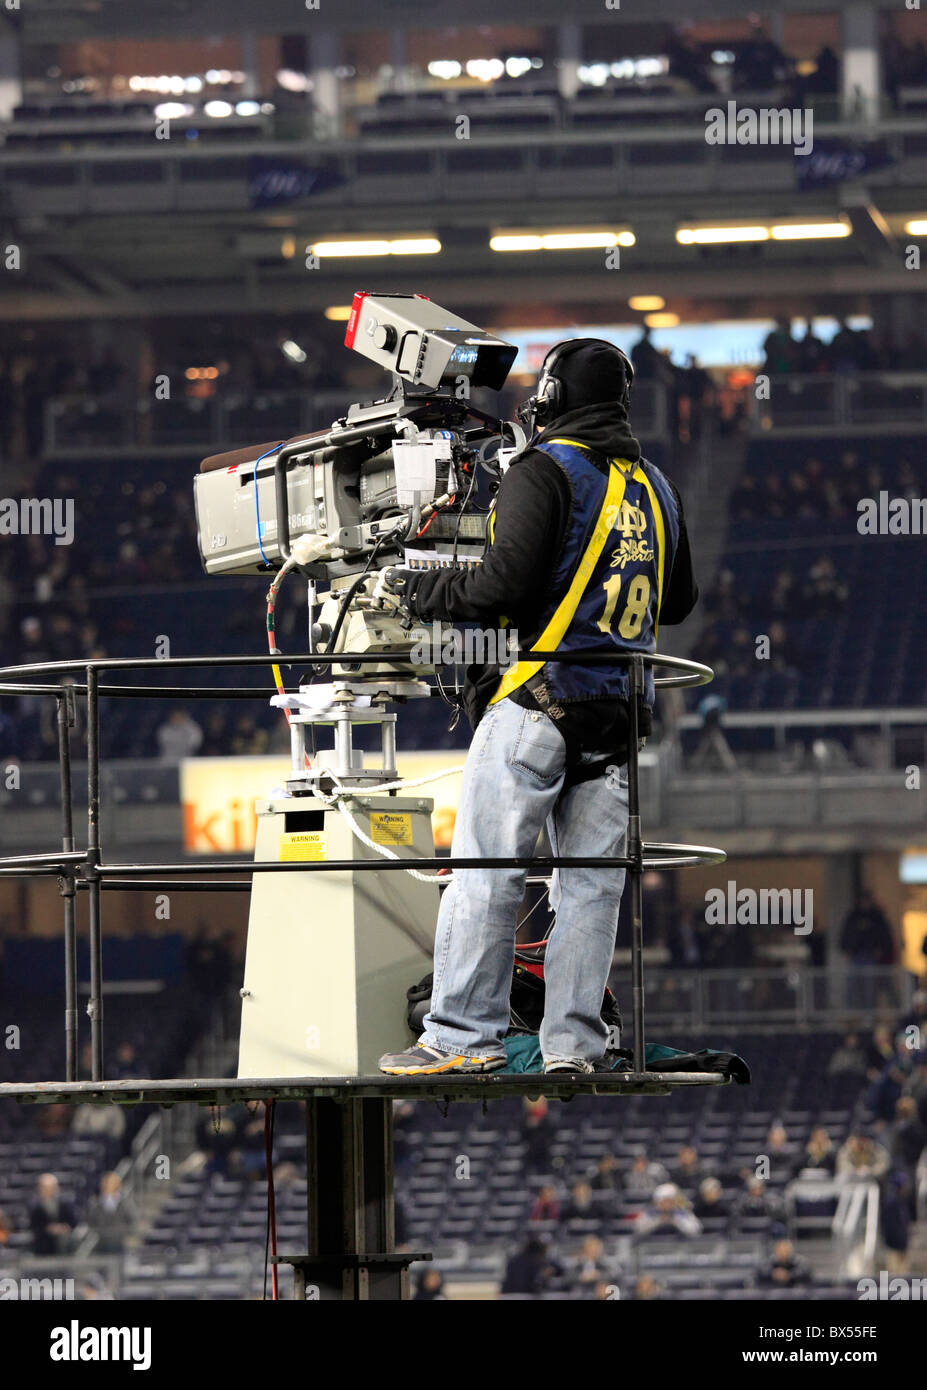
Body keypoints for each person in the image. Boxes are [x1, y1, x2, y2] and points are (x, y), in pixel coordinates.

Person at [377, 338, 697, 1074]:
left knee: (487, 873)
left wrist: (416, 589)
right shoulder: (657, 486)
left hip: (536, 704)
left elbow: (499, 592)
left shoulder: (543, 469)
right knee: (588, 891)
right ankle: (572, 1047)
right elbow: (678, 601)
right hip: (616, 717)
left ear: (552, 393)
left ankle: (460, 1039)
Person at [29, 1173, 77, 1256]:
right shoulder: (34, 1206)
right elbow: (34, 1226)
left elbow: (73, 1221)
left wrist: (64, 1227)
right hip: (43, 1247)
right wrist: (49, 1229)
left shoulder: (65, 1203)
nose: (48, 1190)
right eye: (45, 1187)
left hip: (65, 1248)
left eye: (51, 1187)